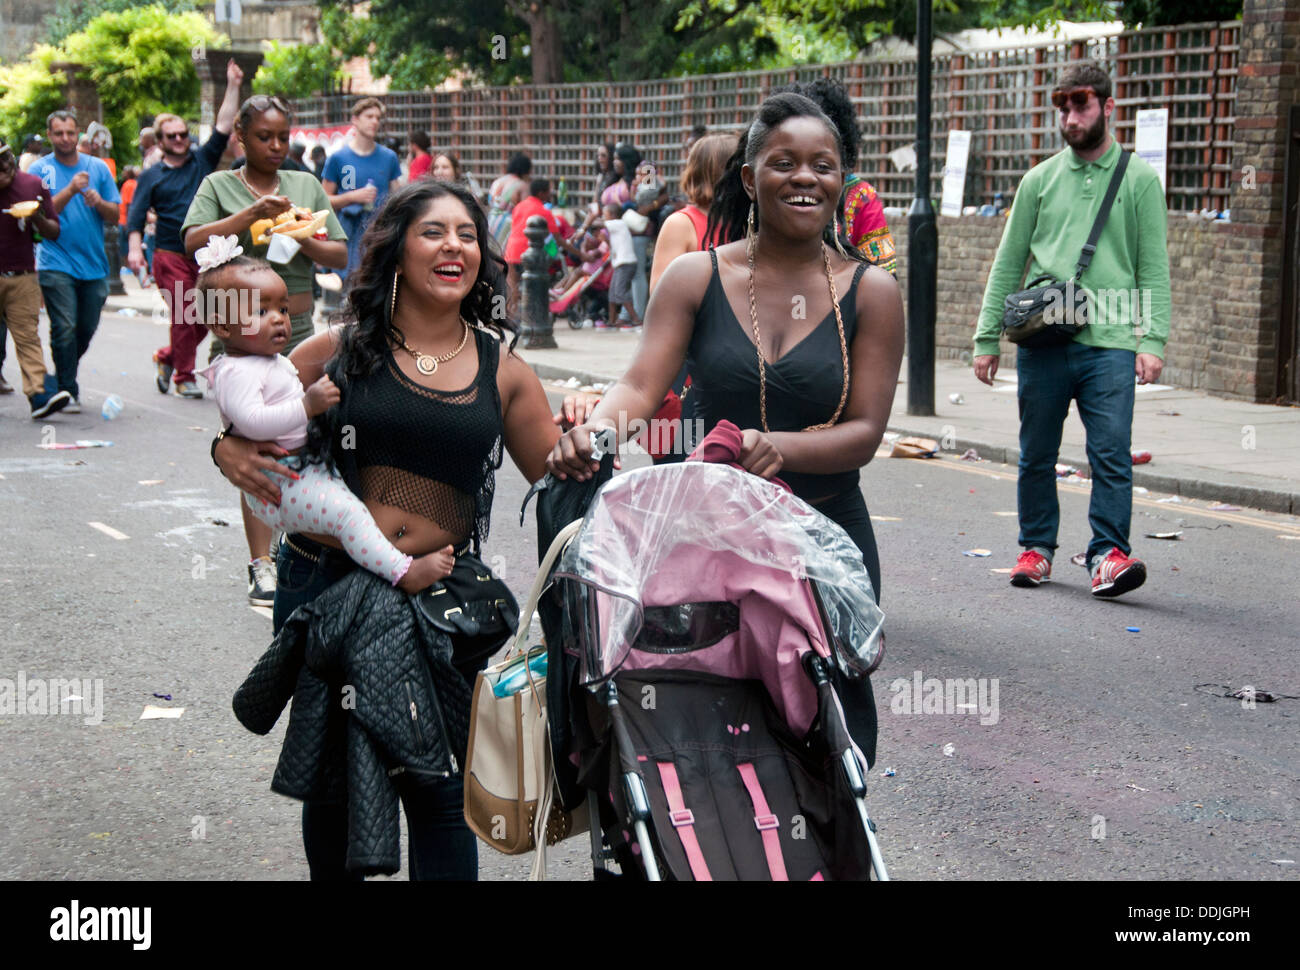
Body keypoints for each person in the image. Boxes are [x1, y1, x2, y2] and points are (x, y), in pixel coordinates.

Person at [212, 179, 572, 880]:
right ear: (397, 253)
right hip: (328, 586)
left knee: (438, 789)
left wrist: (592, 429)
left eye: (467, 234)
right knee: (338, 787)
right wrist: (223, 450)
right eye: (433, 232)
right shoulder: (334, 349)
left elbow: (558, 479)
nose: (454, 247)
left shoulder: (505, 370)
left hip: (437, 605)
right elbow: (250, 424)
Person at [550, 92, 905, 767]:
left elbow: (864, 431)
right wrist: (595, 435)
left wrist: (782, 448)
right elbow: (637, 387)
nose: (806, 177)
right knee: (707, 738)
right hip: (707, 543)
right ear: (748, 177)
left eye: (824, 166)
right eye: (784, 163)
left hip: (824, 543)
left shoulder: (872, 294)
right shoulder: (695, 278)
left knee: (830, 742)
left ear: (843, 181)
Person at [974, 59, 1170, 598]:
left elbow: (1153, 266)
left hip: (1109, 343)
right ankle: (1037, 549)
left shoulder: (1140, 180)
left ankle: (1107, 556)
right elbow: (1007, 261)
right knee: (1036, 452)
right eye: (1062, 105)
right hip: (1043, 340)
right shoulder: (1039, 180)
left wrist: (1152, 339)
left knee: (1110, 453)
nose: (1070, 115)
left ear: (1108, 107)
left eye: (1080, 103)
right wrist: (986, 337)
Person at [194, 239, 456, 594]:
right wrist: (306, 406)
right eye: (260, 311)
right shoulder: (239, 370)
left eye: (284, 310)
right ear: (223, 328)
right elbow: (251, 421)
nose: (278, 320)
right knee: (348, 515)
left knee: (351, 510)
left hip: (302, 471)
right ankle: (401, 572)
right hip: (286, 481)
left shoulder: (263, 360)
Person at [184, 92, 348, 606]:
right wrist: (252, 214)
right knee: (257, 443)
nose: (276, 146)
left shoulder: (303, 184)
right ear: (241, 136)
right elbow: (191, 241)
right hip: (243, 333)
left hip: (298, 322)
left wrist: (298, 235)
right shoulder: (218, 185)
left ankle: (307, 543)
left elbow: (339, 252)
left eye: (283, 136)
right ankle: (262, 562)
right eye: (263, 136)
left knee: (310, 435)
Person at [126, 58, 244, 399]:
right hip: (168, 253)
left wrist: (233, 84)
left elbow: (223, 124)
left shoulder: (201, 161)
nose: (180, 139)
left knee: (206, 318)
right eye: (172, 136)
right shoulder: (151, 175)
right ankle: (184, 376)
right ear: (160, 141)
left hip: (206, 254)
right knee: (183, 314)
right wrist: (135, 249)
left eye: (183, 134)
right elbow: (135, 217)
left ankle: (167, 357)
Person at [29, 109, 120, 413]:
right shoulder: (40, 170)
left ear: (78, 133)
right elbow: (37, 214)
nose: (65, 139)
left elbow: (115, 215)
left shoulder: (98, 168)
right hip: (55, 261)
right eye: (58, 133)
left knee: (85, 327)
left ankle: (60, 376)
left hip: (93, 264)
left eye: (70, 132)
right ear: (50, 135)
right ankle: (69, 388)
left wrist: (99, 202)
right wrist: (70, 190)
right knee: (64, 326)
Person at [774, 78, 895, 275]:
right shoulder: (764, 192)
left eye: (820, 165)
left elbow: (884, 275)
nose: (804, 177)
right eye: (786, 163)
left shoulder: (861, 197)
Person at [0, 141, 71, 417]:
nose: (2, 170)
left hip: (22, 275)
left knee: (27, 336)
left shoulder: (32, 185)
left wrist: (38, 218)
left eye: (5, 162)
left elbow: (54, 231)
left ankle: (39, 395)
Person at [321, 97, 404, 284]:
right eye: (369, 116)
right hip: (347, 236)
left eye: (378, 117)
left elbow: (398, 198)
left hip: (378, 234)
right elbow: (323, 200)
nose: (375, 121)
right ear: (355, 120)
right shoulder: (338, 158)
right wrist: (351, 197)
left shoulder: (389, 157)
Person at [599, 202, 640, 328]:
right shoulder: (616, 227)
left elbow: (599, 224)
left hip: (626, 263)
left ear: (612, 215)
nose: (603, 217)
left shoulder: (618, 223)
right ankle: (612, 321)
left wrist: (589, 218)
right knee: (613, 293)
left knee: (620, 292)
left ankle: (636, 320)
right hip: (620, 264)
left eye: (604, 214)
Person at [487, 152, 530, 250]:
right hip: (507, 226)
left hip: (490, 221)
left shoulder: (497, 182)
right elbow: (525, 211)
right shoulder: (521, 185)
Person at [593, 141, 618, 206]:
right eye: (598, 155)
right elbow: (595, 203)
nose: (599, 158)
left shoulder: (615, 176)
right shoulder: (603, 176)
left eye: (603, 155)